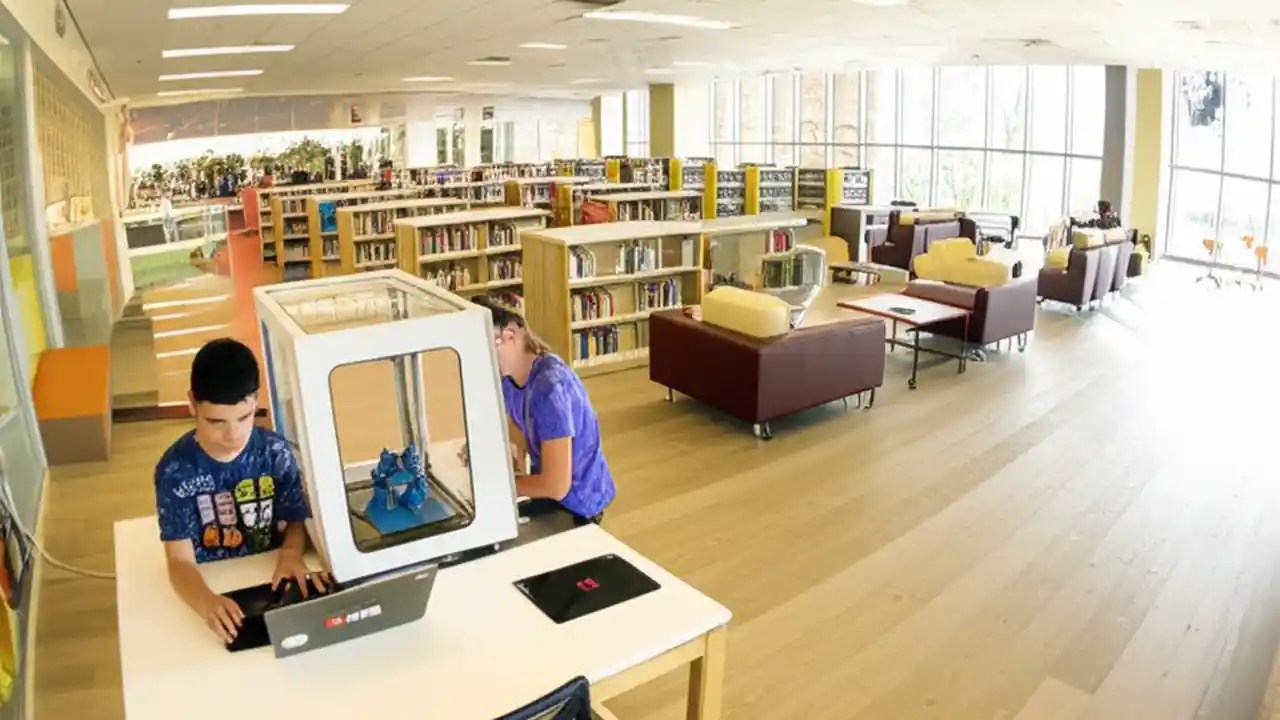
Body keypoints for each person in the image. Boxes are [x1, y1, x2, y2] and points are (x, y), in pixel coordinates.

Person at [154, 338, 324, 643]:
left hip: (268, 576)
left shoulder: (275, 452)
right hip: (216, 580)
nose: (233, 435)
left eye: (245, 418)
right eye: (216, 422)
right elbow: (179, 562)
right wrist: (206, 602)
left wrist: (291, 550)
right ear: (192, 403)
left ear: (257, 400)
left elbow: (296, 515)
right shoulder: (174, 471)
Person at [470, 299, 615, 526]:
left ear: (510, 337)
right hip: (551, 492)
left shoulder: (550, 389)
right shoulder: (510, 379)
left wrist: (499, 485)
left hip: (579, 504)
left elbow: (556, 486)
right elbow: (517, 436)